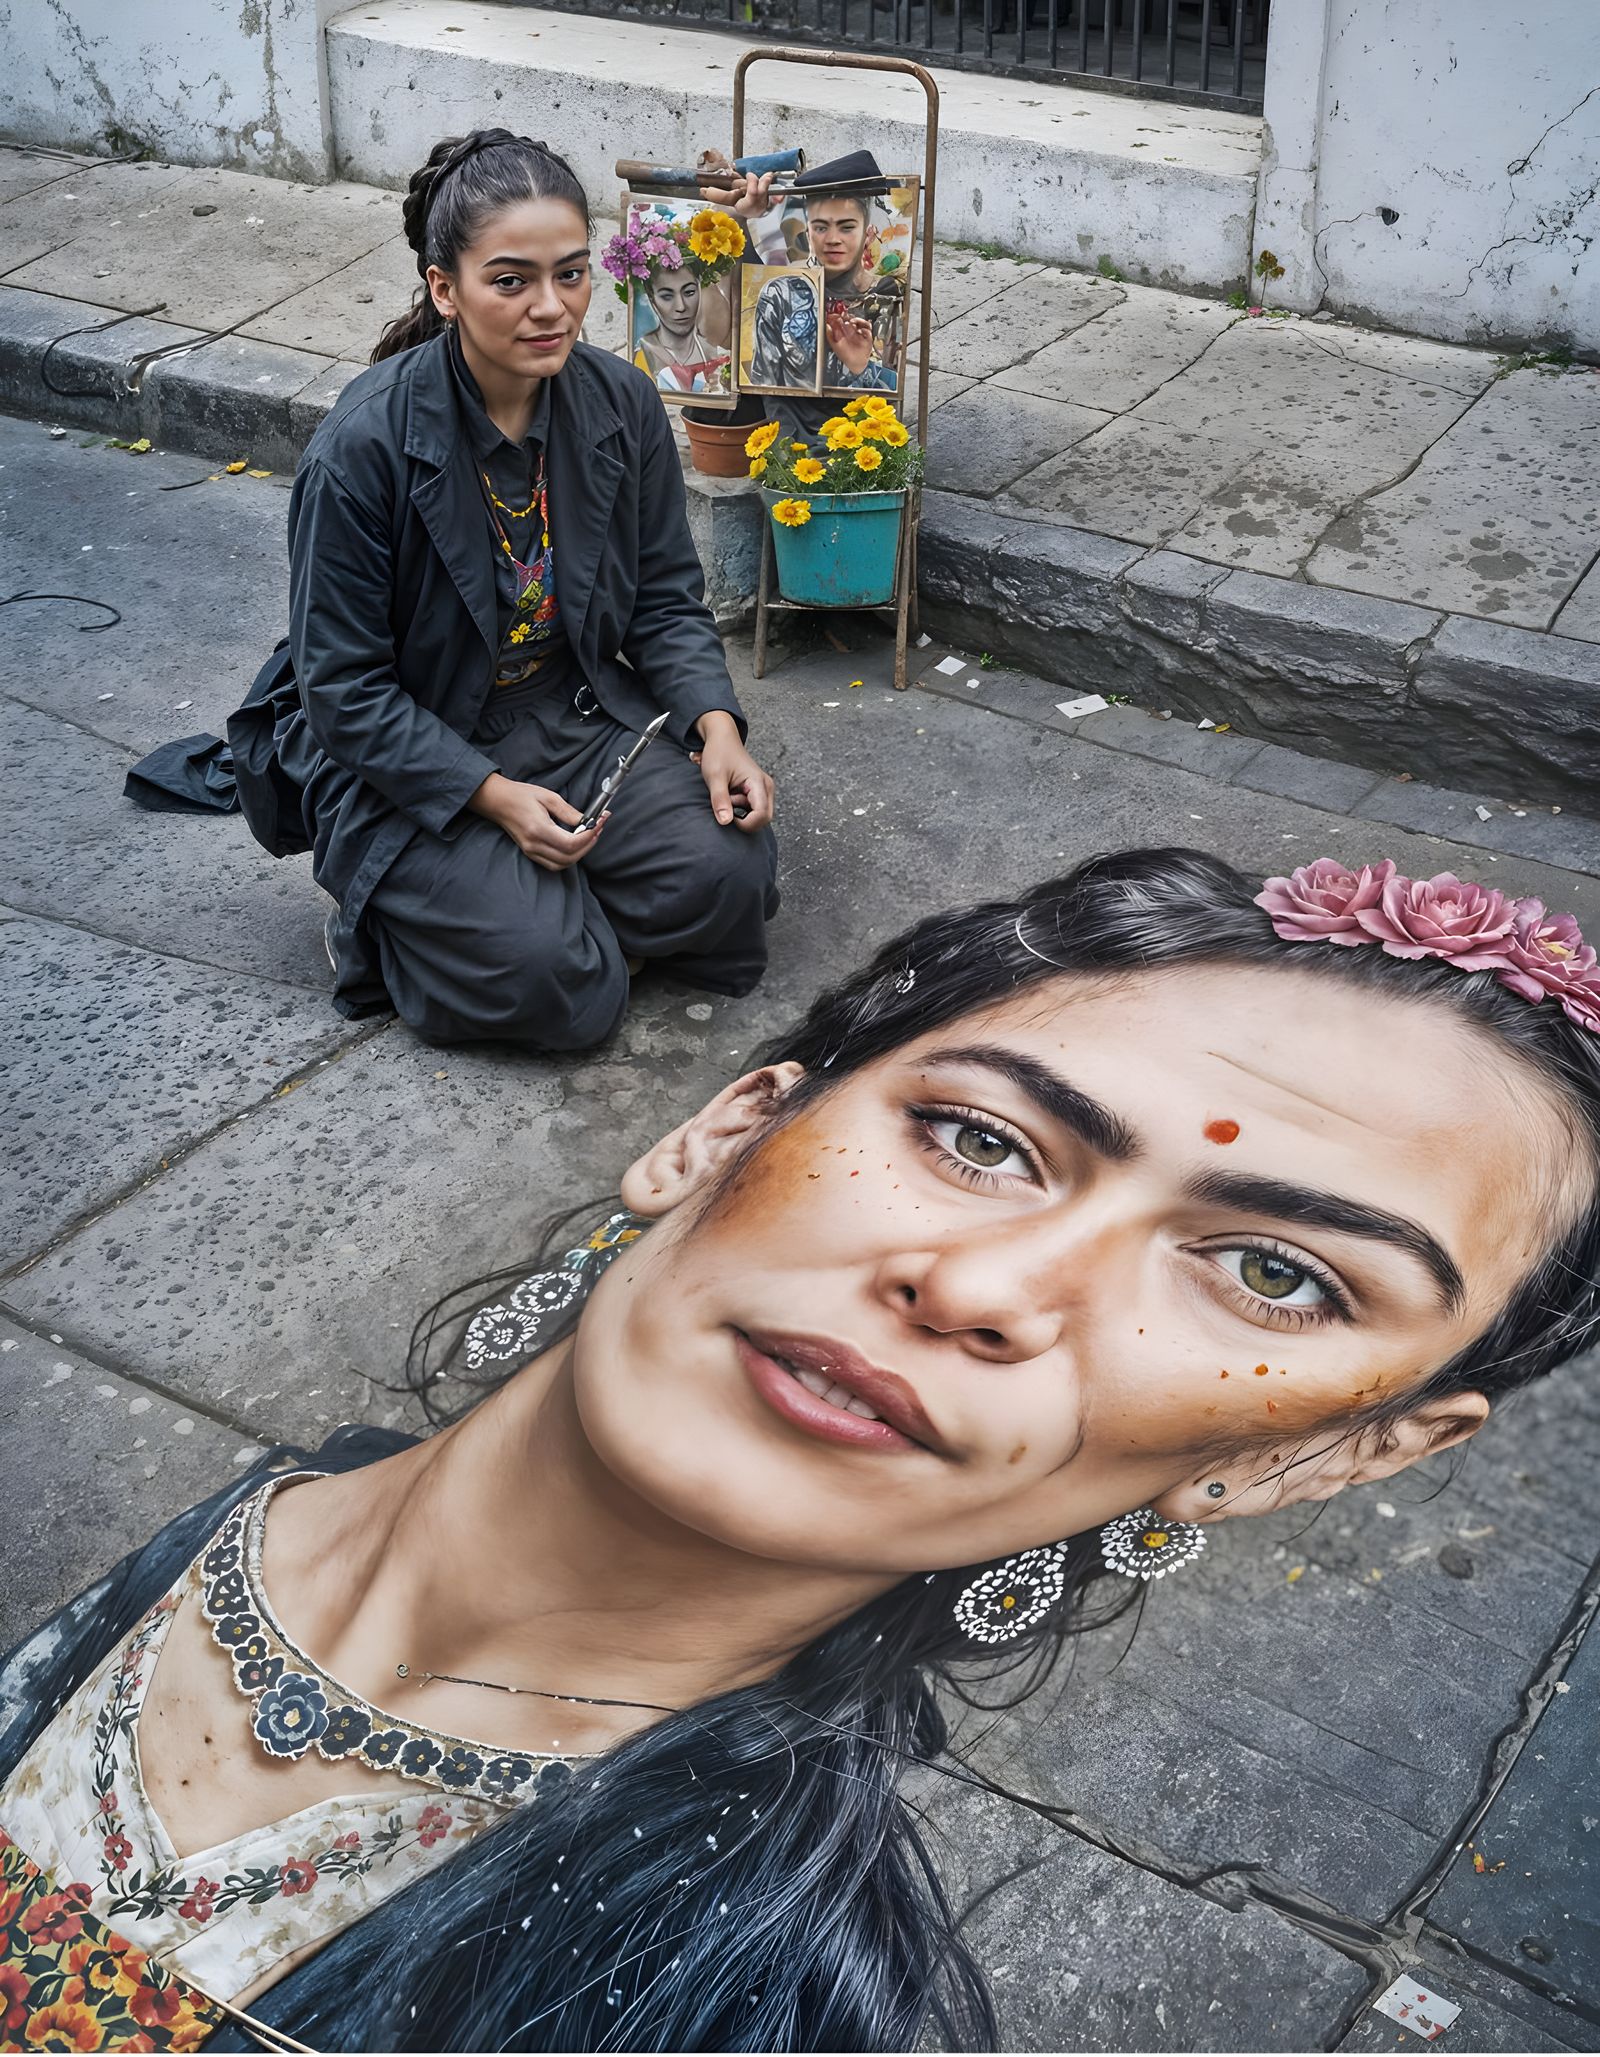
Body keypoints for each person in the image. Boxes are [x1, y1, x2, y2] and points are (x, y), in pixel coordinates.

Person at [5, 846, 1599, 2051]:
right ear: (727, 1128)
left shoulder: (761, 2006)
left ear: (1319, 1459)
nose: (981, 1290)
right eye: (979, 1139)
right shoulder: (280, 1514)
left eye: (1274, 1274)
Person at [227, 130, 777, 1050]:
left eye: (571, 274)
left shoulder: (622, 404)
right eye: (511, 280)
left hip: (568, 712)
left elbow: (664, 599)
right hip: (415, 742)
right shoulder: (362, 450)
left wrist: (716, 729)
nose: (550, 307)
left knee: (730, 873)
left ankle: (540, 910)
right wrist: (489, 795)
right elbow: (342, 689)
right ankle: (398, 929)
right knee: (554, 980)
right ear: (445, 289)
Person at [728, 151, 902, 434]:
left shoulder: (884, 295)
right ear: (808, 234)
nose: (833, 239)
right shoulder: (783, 293)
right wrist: (742, 215)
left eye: (847, 227)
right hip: (788, 434)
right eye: (821, 227)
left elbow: (889, 397)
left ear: (868, 234)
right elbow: (763, 379)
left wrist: (860, 367)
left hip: (858, 439)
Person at [631, 261, 731, 395]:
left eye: (689, 292)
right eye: (667, 296)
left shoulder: (716, 350)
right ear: (651, 297)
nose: (681, 307)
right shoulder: (644, 353)